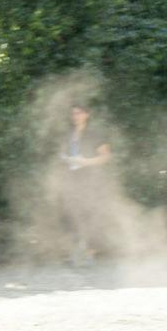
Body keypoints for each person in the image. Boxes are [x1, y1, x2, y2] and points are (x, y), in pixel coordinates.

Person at [59, 103, 114, 265]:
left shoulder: (95, 133)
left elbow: (106, 157)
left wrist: (86, 162)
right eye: (73, 114)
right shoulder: (68, 135)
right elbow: (63, 154)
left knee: (90, 213)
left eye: (79, 113)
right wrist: (64, 158)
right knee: (72, 214)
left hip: (90, 177)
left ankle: (90, 253)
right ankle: (77, 251)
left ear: (87, 114)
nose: (75, 116)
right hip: (72, 176)